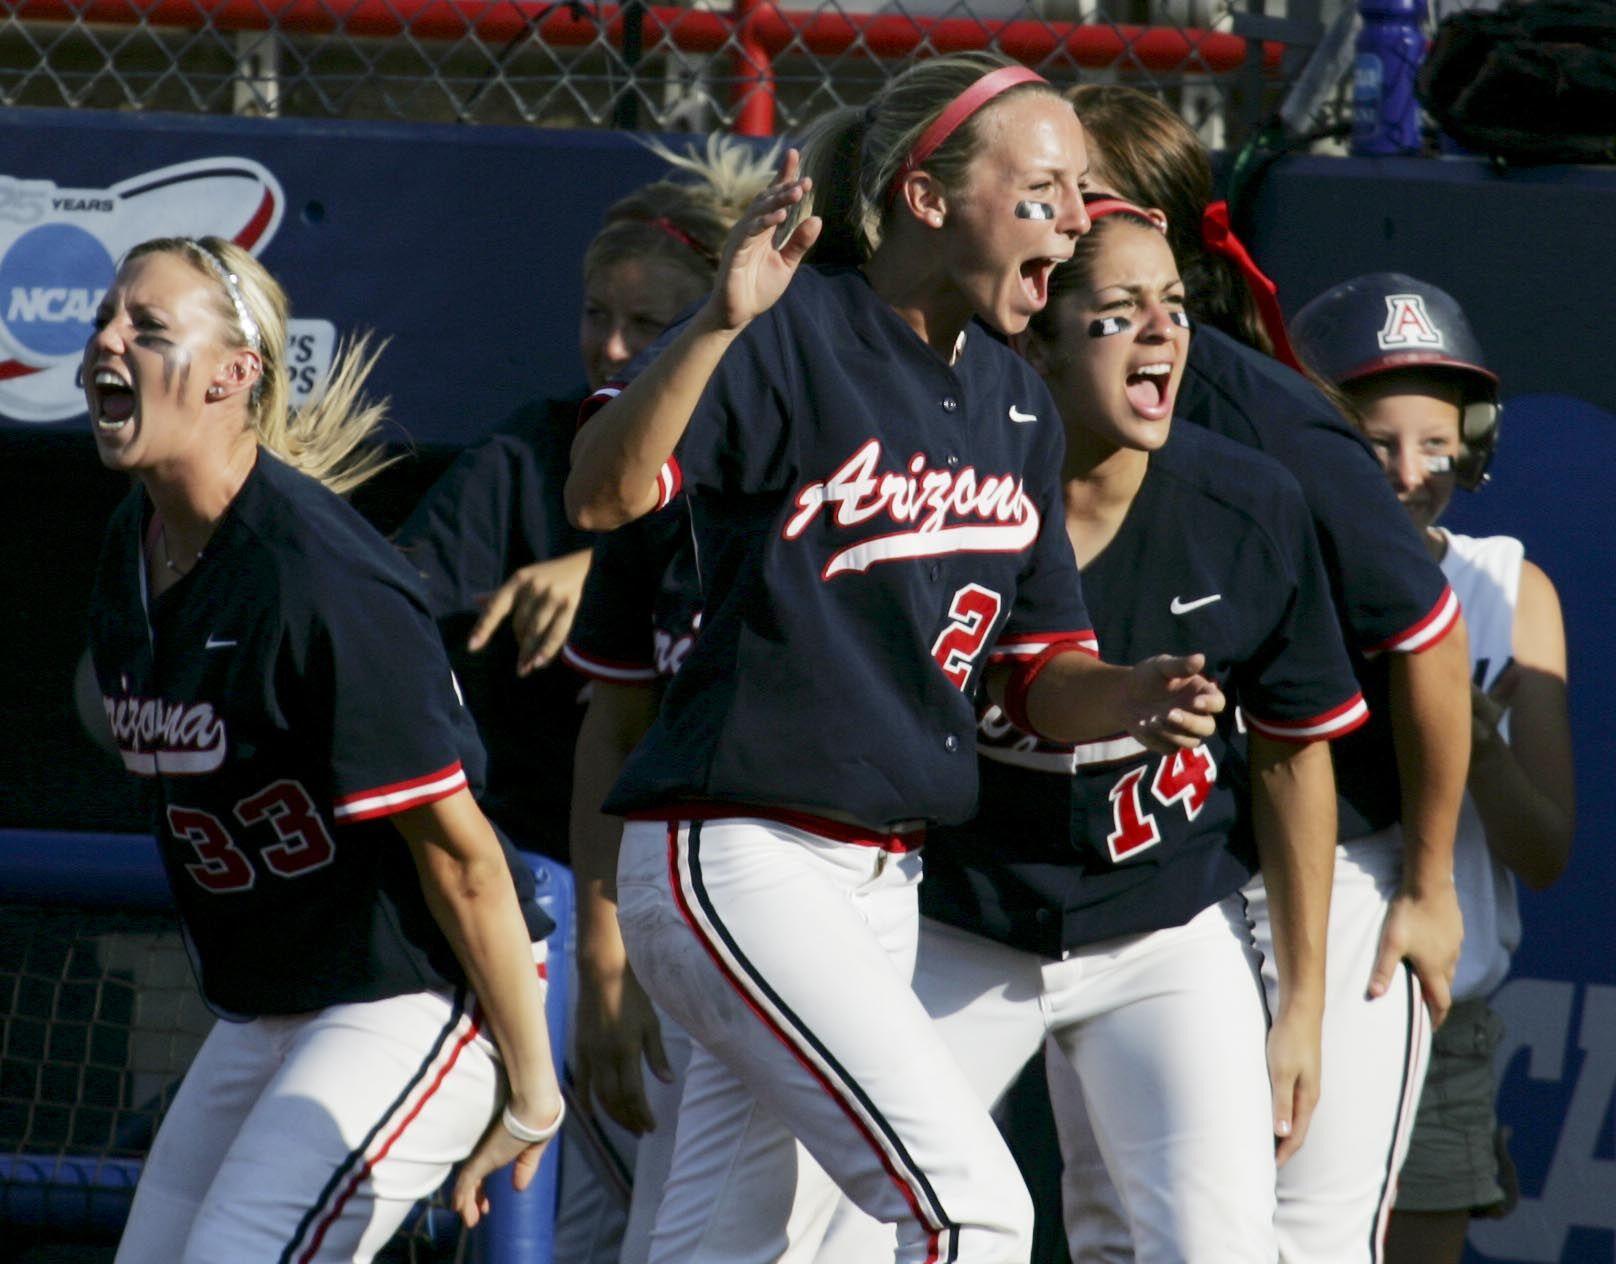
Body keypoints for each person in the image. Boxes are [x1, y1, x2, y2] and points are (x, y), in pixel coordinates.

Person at [564, 53, 1228, 1263]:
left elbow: (1035, 675)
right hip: (745, 849)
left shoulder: (1014, 408)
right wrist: (717, 318)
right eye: (1042, 190)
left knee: (728, 1242)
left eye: (1081, 190)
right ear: (926, 198)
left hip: (879, 884)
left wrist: (1133, 693)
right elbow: (603, 494)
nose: (1076, 218)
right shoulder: (791, 329)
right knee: (969, 1206)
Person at [1053, 84, 1472, 1264]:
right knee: (1126, 1232)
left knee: (1301, 1236)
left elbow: (1427, 633)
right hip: (1173, 870)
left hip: (1334, 865)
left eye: (1060, 198)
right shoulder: (1023, 396)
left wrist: (1429, 886)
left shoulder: (1262, 416)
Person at [83, 235, 562, 1262]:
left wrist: (529, 1087)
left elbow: (461, 856)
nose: (107, 342)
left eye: (149, 327)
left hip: (417, 991)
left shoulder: (317, 578)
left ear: (233, 373)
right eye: (105, 319)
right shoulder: (136, 547)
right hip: (272, 1001)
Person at [1291, 273, 1574, 1264]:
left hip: (1437, 1005)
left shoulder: (1506, 587)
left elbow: (1542, 850)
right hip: (1267, 985)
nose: (1407, 472)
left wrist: (1469, 736)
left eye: (1437, 447)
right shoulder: (1262, 561)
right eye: (1375, 441)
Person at [394, 136, 774, 866]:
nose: (613, 347)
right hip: (533, 841)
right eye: (597, 314)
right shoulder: (527, 453)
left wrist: (596, 576)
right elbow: (402, 610)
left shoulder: (761, 454)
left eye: (648, 326)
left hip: (717, 843)